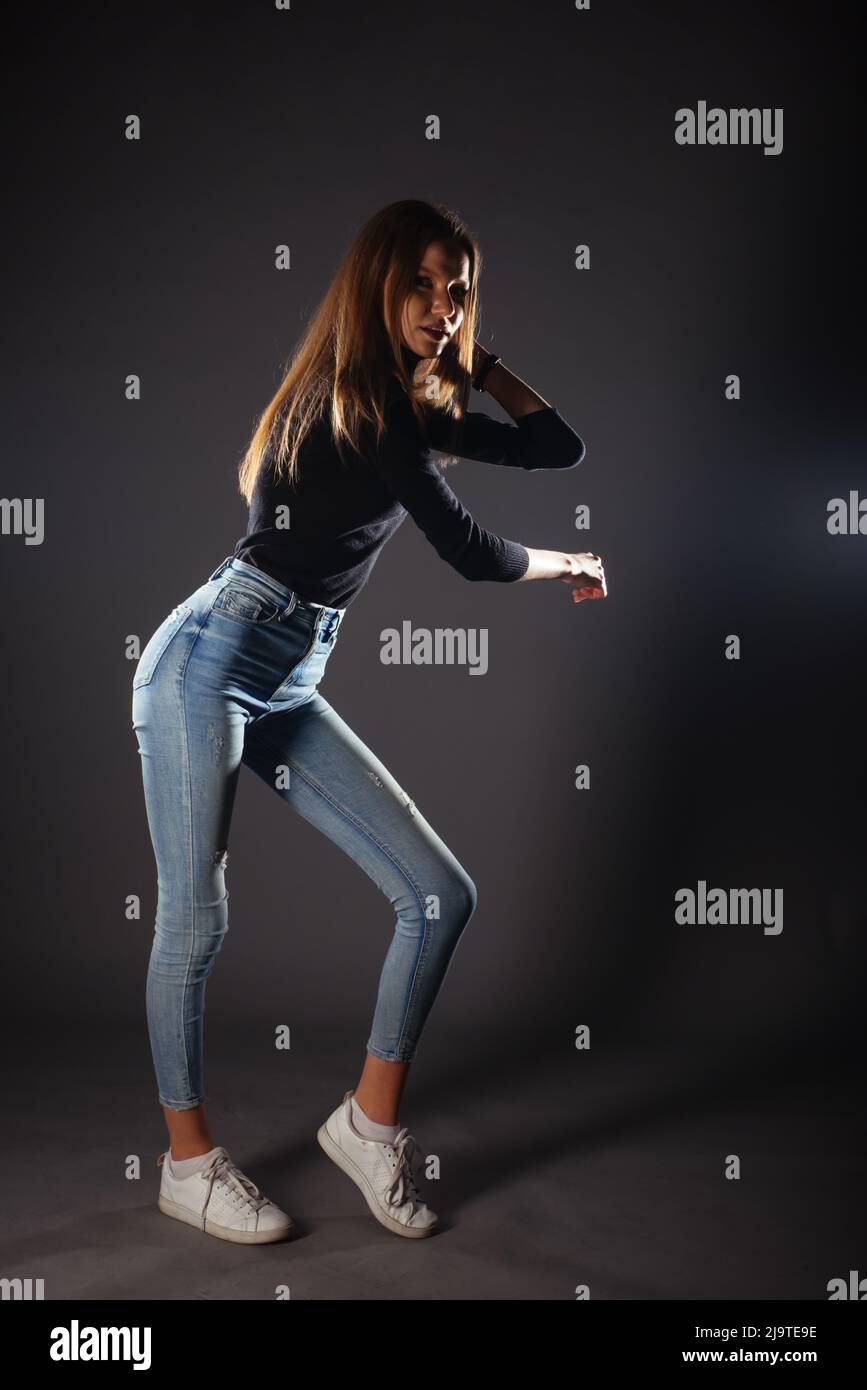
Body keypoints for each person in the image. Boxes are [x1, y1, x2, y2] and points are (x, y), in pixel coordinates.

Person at [130, 198, 607, 1245]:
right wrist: (568, 561)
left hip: (291, 671)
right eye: (427, 285)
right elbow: (473, 552)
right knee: (196, 917)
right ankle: (187, 1163)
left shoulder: (408, 401)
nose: (444, 308)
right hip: (208, 660)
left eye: (461, 290)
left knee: (438, 895)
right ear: (377, 282)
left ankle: (368, 1124)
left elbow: (558, 445)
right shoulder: (369, 405)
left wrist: (474, 355)